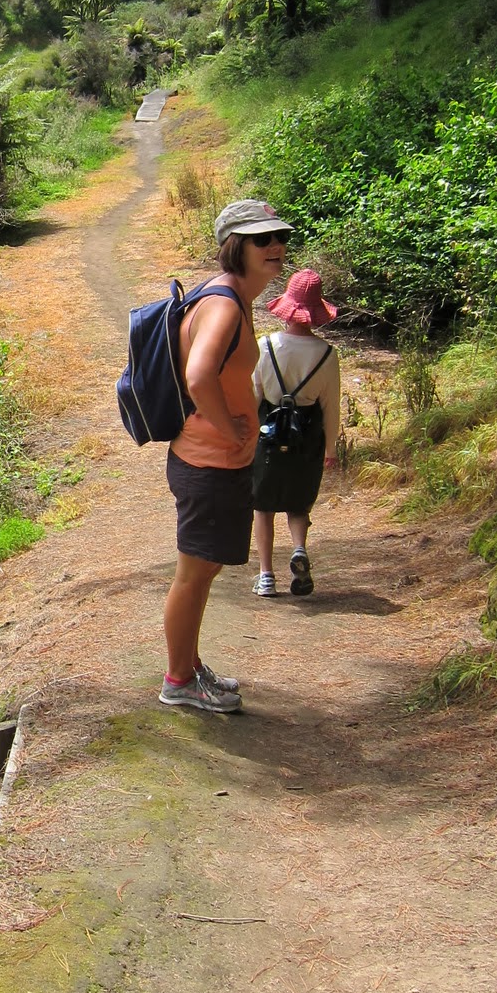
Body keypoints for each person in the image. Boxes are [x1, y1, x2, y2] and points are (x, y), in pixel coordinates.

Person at [160, 199, 292, 714]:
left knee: (204, 572)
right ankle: (178, 680)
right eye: (262, 239)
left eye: (279, 236)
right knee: (193, 576)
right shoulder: (224, 305)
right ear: (236, 246)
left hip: (212, 463)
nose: (275, 246)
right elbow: (198, 376)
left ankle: (189, 666)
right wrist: (229, 426)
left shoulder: (231, 297)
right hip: (208, 464)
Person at [251, 269, 341, 598]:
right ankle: (299, 548)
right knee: (299, 503)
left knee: (262, 505)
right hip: (307, 436)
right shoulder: (327, 355)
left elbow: (253, 396)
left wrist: (242, 437)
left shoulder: (266, 346)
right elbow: (331, 407)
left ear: (287, 307)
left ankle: (266, 575)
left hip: (268, 436)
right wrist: (330, 449)